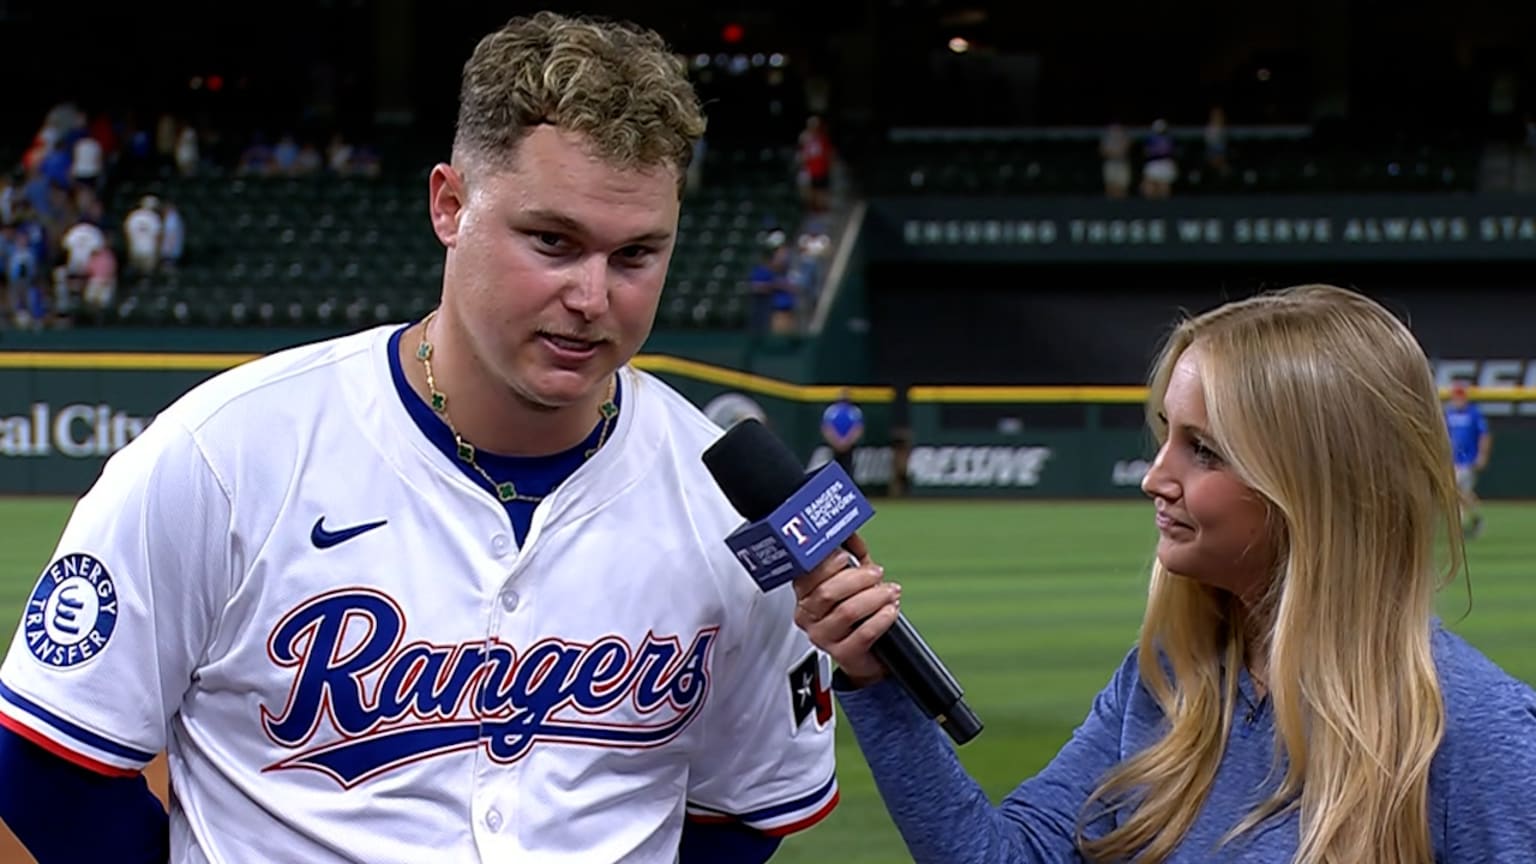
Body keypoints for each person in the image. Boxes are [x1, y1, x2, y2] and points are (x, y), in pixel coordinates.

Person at [0, 13, 839, 864]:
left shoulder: (732, 512)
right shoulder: (226, 455)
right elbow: (48, 762)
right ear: (450, 205)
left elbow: (748, 809)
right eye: (552, 242)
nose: (593, 296)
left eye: (636, 256)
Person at [792, 284, 1536, 863]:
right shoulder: (1166, 683)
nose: (1155, 477)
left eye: (1203, 450)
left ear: (1317, 486)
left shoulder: (1476, 735)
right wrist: (875, 681)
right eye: (1164, 437)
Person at [1444, 381, 1491, 538]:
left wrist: (1482, 455)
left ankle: (1464, 523)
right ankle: (1472, 520)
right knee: (1461, 494)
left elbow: (1484, 436)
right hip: (1452, 460)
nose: (1457, 400)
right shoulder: (1449, 413)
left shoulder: (1474, 414)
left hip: (1467, 461)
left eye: (1460, 397)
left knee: (1456, 490)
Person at [821, 388, 865, 478]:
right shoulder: (831, 411)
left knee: (848, 471)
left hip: (849, 448)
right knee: (834, 470)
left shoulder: (855, 411)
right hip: (835, 447)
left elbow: (857, 429)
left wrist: (846, 442)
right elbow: (827, 428)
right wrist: (837, 442)